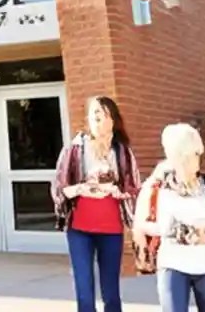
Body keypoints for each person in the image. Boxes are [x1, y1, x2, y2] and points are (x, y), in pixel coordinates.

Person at [135, 123, 205, 312]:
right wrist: (174, 232)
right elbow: (141, 223)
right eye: (192, 154)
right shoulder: (156, 188)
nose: (196, 159)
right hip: (172, 264)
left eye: (197, 153)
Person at [51, 96, 141, 312]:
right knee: (84, 288)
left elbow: (134, 187)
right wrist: (81, 188)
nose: (97, 120)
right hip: (80, 228)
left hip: (111, 229)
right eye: (94, 115)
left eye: (102, 115)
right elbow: (59, 187)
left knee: (111, 291)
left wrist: (115, 191)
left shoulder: (122, 152)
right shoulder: (74, 149)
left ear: (113, 120)